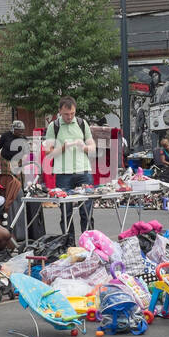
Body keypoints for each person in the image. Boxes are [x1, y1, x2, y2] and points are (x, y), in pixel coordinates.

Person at [41, 97, 96, 242]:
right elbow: (48, 152)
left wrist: (83, 146)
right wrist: (63, 147)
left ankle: (88, 243)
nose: (69, 117)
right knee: (66, 211)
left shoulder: (82, 123)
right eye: (66, 114)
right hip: (63, 173)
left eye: (72, 113)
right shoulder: (54, 126)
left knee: (87, 211)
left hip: (83, 171)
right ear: (60, 111)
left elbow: (92, 148)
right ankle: (68, 242)